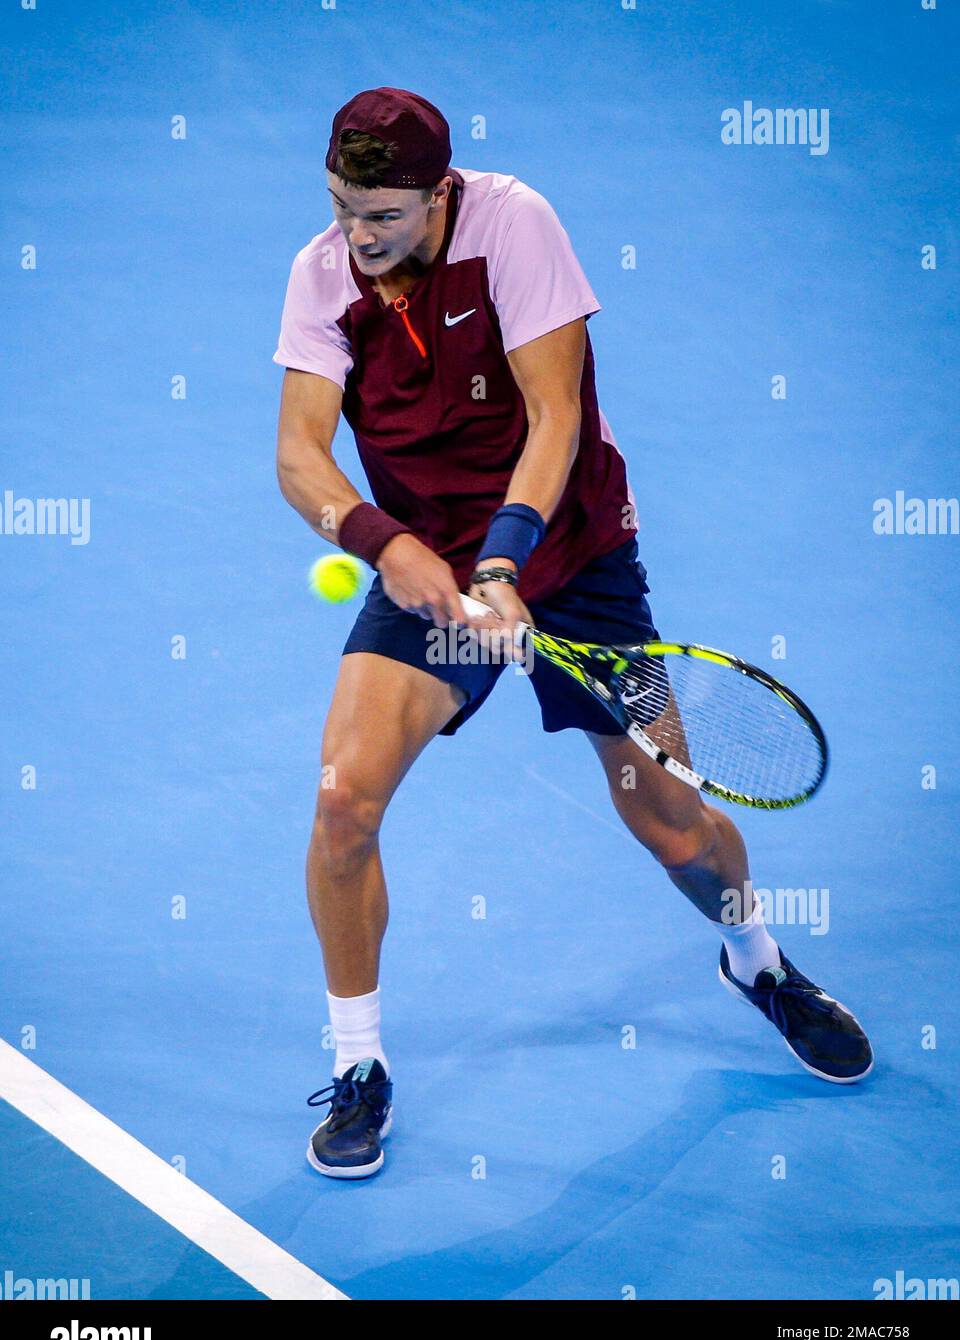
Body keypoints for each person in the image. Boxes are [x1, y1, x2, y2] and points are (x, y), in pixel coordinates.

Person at [273, 87, 872, 1180]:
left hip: (578, 559)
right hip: (429, 574)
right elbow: (299, 457)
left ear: (440, 194)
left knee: (676, 829)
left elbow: (556, 416)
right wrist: (383, 541)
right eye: (344, 209)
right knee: (342, 800)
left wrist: (503, 562)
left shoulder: (515, 224)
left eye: (384, 218)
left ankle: (758, 961)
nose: (359, 239)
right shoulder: (322, 276)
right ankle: (360, 1066)